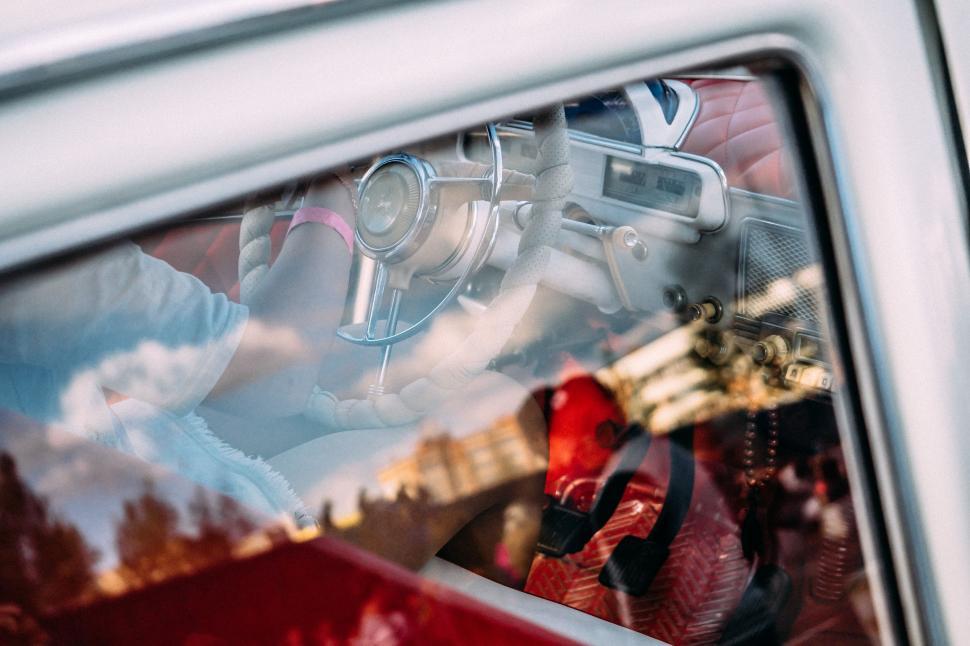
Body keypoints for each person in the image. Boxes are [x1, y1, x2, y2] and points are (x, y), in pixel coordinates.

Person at [0, 174, 356, 524]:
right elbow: (279, 378)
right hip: (94, 539)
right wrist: (336, 190)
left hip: (70, 465)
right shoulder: (31, 233)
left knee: (360, 365)